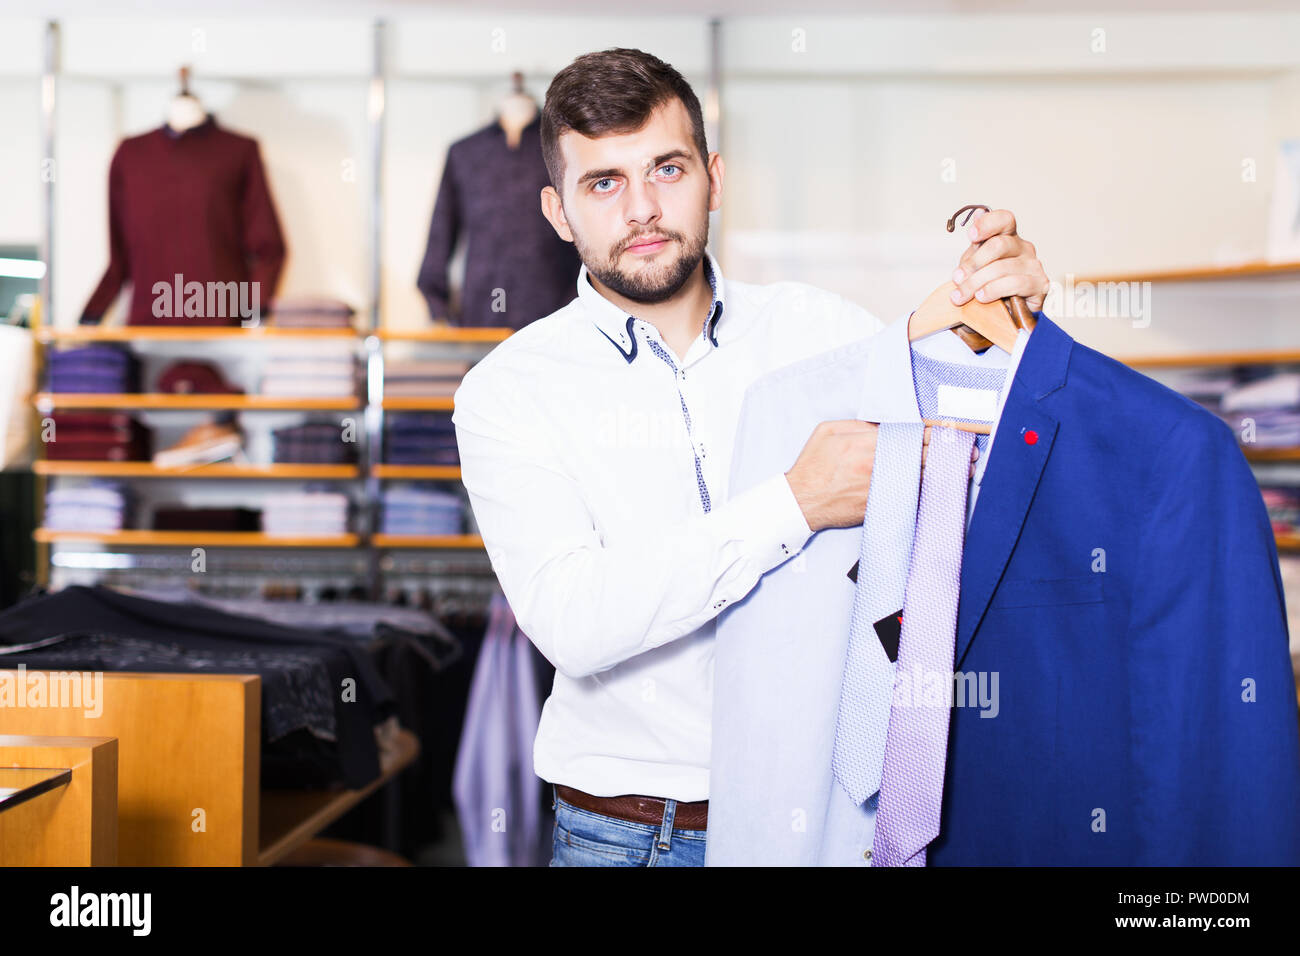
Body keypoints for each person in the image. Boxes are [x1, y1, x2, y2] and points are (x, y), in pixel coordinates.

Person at [451, 47, 1051, 867]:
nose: (643, 208)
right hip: (630, 837)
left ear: (715, 179)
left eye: (668, 167)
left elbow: (983, 449)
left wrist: (1014, 323)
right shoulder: (506, 391)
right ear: (558, 213)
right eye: (605, 182)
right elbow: (573, 624)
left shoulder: (823, 330)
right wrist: (794, 503)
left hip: (824, 821)